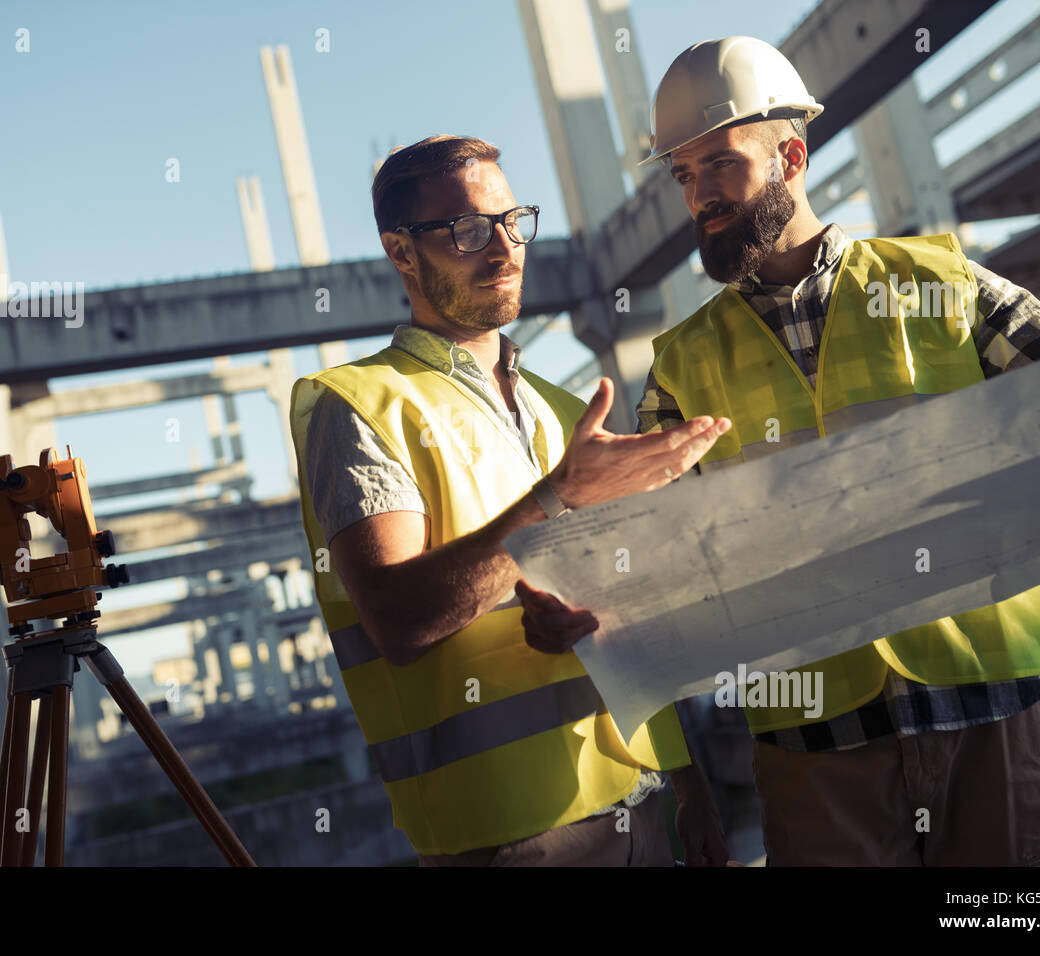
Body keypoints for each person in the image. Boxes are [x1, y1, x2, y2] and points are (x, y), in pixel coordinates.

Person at [519, 36, 1040, 866]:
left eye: (718, 165)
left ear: (789, 155)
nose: (698, 198)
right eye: (683, 176)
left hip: (993, 716)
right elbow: (643, 559)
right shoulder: (682, 364)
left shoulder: (939, 285)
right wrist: (579, 597)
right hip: (816, 749)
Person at [287, 134, 733, 865]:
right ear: (402, 253)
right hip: (508, 833)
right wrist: (557, 499)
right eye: (466, 230)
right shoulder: (361, 405)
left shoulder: (563, 411)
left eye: (512, 220)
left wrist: (690, 783)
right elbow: (399, 620)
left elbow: (631, 617)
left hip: (643, 803)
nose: (503, 248)